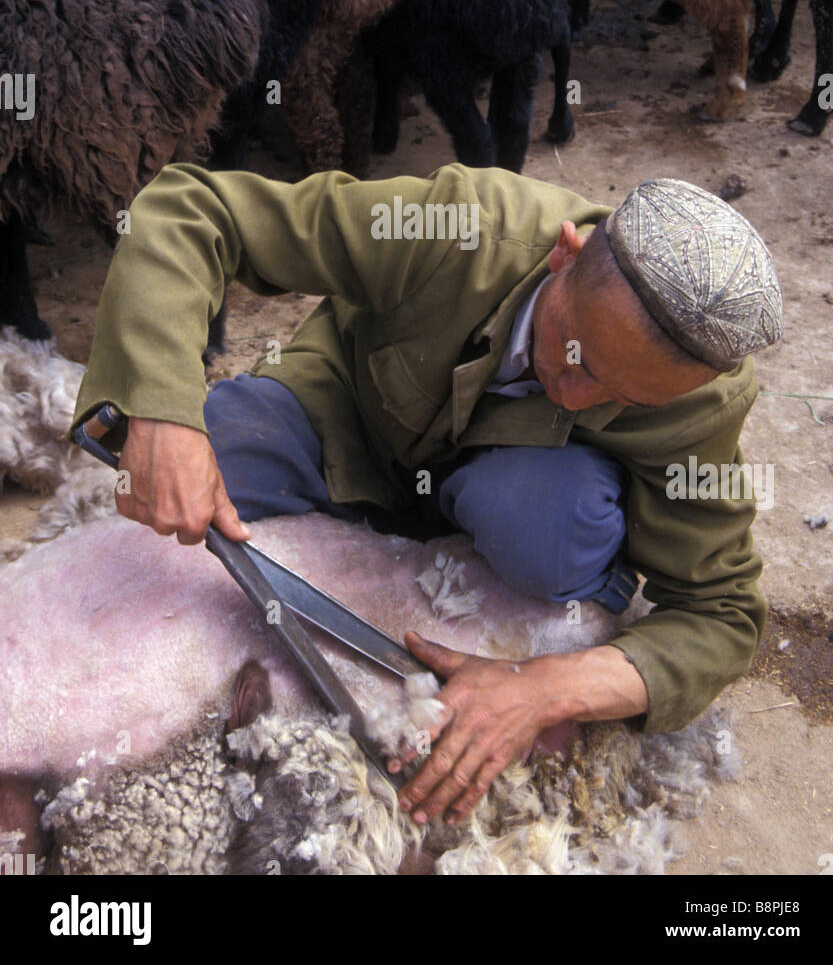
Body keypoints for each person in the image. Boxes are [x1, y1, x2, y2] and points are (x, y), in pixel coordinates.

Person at [71, 162, 782, 827]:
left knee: (545, 530)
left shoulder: (702, 400)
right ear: (564, 253)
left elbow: (722, 616)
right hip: (351, 417)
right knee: (213, 457)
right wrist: (164, 411)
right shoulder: (454, 227)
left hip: (517, 495)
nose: (573, 390)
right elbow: (193, 210)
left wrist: (549, 685)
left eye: (619, 397)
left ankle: (574, 585)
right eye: (573, 347)